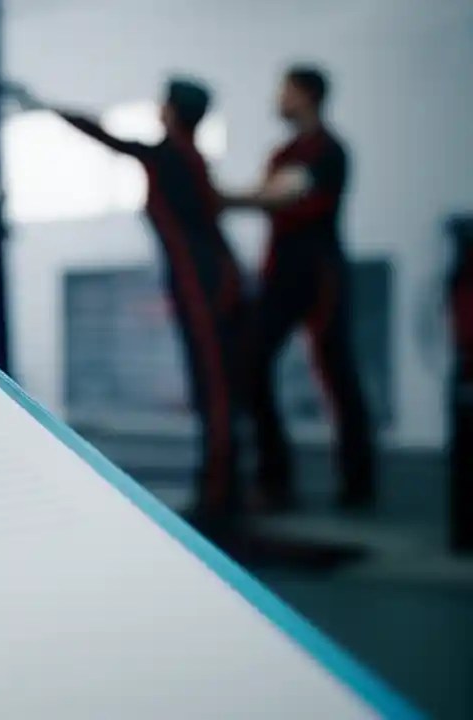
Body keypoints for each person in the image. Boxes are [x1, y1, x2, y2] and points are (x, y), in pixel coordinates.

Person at [54, 79, 247, 527]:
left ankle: (220, 496)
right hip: (203, 282)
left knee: (216, 391)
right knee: (212, 389)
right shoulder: (183, 156)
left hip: (205, 285)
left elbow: (110, 139)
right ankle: (219, 492)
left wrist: (53, 110)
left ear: (173, 111)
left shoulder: (173, 155)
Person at [225, 65, 374, 511]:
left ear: (307, 95)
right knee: (251, 364)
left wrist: (213, 196)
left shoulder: (328, 151)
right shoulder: (283, 152)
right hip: (281, 275)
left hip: (319, 273)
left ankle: (358, 483)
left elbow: (278, 195)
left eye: (286, 91)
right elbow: (266, 192)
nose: (278, 99)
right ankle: (275, 479)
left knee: (336, 374)